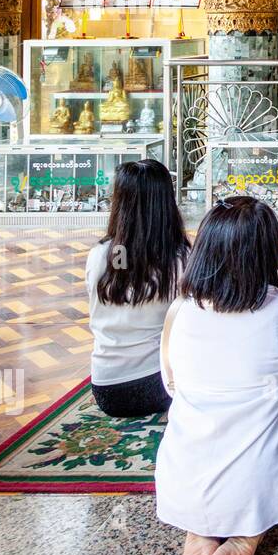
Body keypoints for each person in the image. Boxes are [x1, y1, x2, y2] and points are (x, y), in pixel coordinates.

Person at [155, 197, 278, 555]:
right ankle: (248, 533)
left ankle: (201, 527)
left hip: (180, 486)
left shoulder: (179, 311)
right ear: (267, 251)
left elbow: (170, 386)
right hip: (269, 487)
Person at [86, 159, 188, 418]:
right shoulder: (178, 259)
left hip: (106, 388)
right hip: (162, 384)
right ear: (166, 202)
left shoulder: (99, 255)